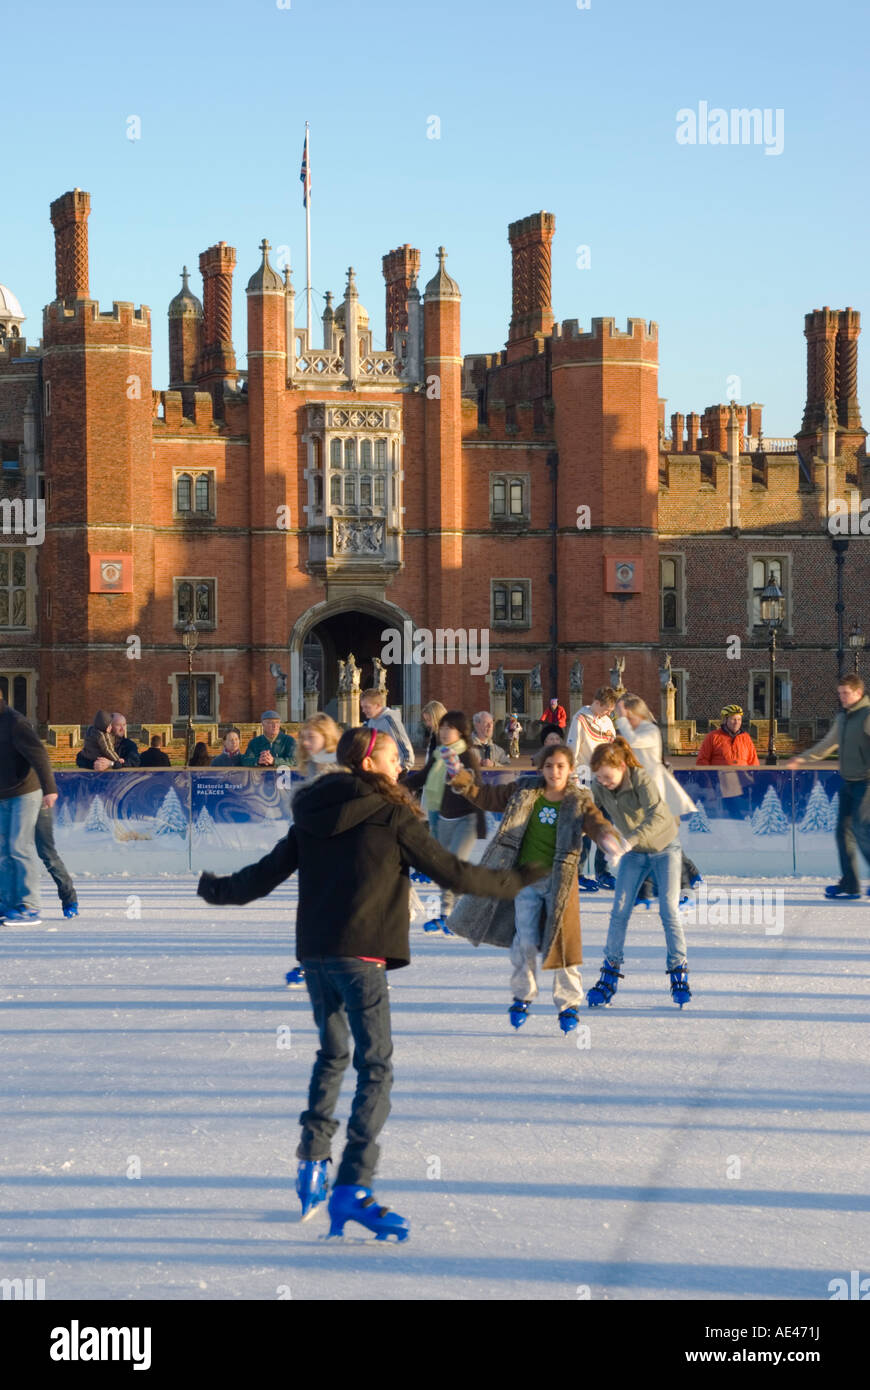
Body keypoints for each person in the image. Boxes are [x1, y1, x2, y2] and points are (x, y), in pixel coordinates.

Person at [196, 725, 546, 1237]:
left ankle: (312, 1162)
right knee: (376, 1067)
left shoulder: (312, 813)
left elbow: (265, 875)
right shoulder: (393, 813)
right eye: (390, 757)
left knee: (333, 1055)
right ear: (367, 763)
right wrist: (515, 879)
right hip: (361, 957)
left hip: (317, 955)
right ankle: (352, 1186)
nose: (398, 763)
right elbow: (452, 873)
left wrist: (216, 890)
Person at [448, 742, 621, 1033]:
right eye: (550, 766)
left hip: (561, 882)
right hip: (524, 881)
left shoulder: (578, 800)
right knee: (524, 940)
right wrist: (461, 778)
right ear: (541, 768)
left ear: (570, 770)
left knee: (563, 942)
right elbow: (486, 796)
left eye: (561, 766)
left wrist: (607, 839)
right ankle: (522, 994)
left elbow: (596, 821)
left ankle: (568, 1003)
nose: (555, 772)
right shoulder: (524, 791)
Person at [587, 737, 692, 1008]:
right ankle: (610, 971)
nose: (604, 782)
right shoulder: (600, 785)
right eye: (598, 778)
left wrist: (627, 841)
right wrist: (604, 836)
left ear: (621, 766)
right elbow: (588, 809)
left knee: (668, 910)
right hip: (634, 853)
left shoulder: (640, 779)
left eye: (607, 776)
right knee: (619, 909)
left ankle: (678, 970)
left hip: (664, 848)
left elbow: (659, 816)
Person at [786, 674, 870, 899]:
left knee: (862, 829)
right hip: (849, 782)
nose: (842, 697)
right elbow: (827, 744)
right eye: (840, 693)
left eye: (846, 693)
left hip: (867, 782)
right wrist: (802, 759)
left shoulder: (867, 715)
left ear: (858, 693)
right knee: (842, 833)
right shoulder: (843, 717)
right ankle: (850, 884)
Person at [614, 694, 702, 902]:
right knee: (648, 841)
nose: (627, 720)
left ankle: (684, 884)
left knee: (664, 841)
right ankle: (647, 889)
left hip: (658, 793)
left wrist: (621, 717)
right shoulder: (631, 732)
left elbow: (634, 742)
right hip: (641, 793)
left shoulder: (650, 730)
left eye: (630, 716)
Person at [403, 710, 484, 932]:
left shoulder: (467, 756)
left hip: (464, 819)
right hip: (439, 816)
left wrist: (480, 822)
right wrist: (397, 786)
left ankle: (460, 915)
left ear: (461, 732)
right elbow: (422, 777)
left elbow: (478, 790)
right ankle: (446, 914)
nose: (444, 731)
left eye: (450, 728)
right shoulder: (440, 753)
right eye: (443, 727)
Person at [0, 690, 58, 926]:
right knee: (4, 849)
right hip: (3, 793)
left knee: (18, 845)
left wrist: (50, 788)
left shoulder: (15, 722)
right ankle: (7, 903)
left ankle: (29, 905)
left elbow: (39, 755)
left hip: (25, 792)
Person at [566, 687, 618, 888]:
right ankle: (577, 873)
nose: (609, 713)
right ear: (598, 703)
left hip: (605, 782)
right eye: (607, 709)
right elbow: (573, 749)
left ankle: (602, 871)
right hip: (585, 779)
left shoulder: (607, 722)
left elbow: (613, 749)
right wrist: (573, 780)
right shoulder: (580, 719)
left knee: (606, 826)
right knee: (586, 829)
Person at [695, 704, 759, 819]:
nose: (737, 722)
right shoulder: (713, 737)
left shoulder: (746, 738)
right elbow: (702, 760)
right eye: (733, 719)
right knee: (729, 779)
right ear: (725, 720)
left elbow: (753, 761)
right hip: (720, 781)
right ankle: (737, 818)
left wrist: (756, 778)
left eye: (739, 719)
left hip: (743, 780)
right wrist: (708, 781)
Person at [35, 802, 78, 918]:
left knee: (48, 854)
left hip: (35, 803)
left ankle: (70, 901)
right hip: (10, 804)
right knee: (11, 855)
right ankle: (13, 904)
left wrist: (49, 790)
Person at [360, 689, 414, 772]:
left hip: (394, 772)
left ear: (377, 705)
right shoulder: (370, 722)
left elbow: (405, 748)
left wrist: (402, 770)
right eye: (362, 707)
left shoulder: (390, 721)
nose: (363, 711)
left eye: (367, 707)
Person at [297, 712, 341, 781]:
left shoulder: (342, 765)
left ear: (327, 736)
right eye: (303, 737)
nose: (305, 742)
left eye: (311, 737)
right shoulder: (311, 764)